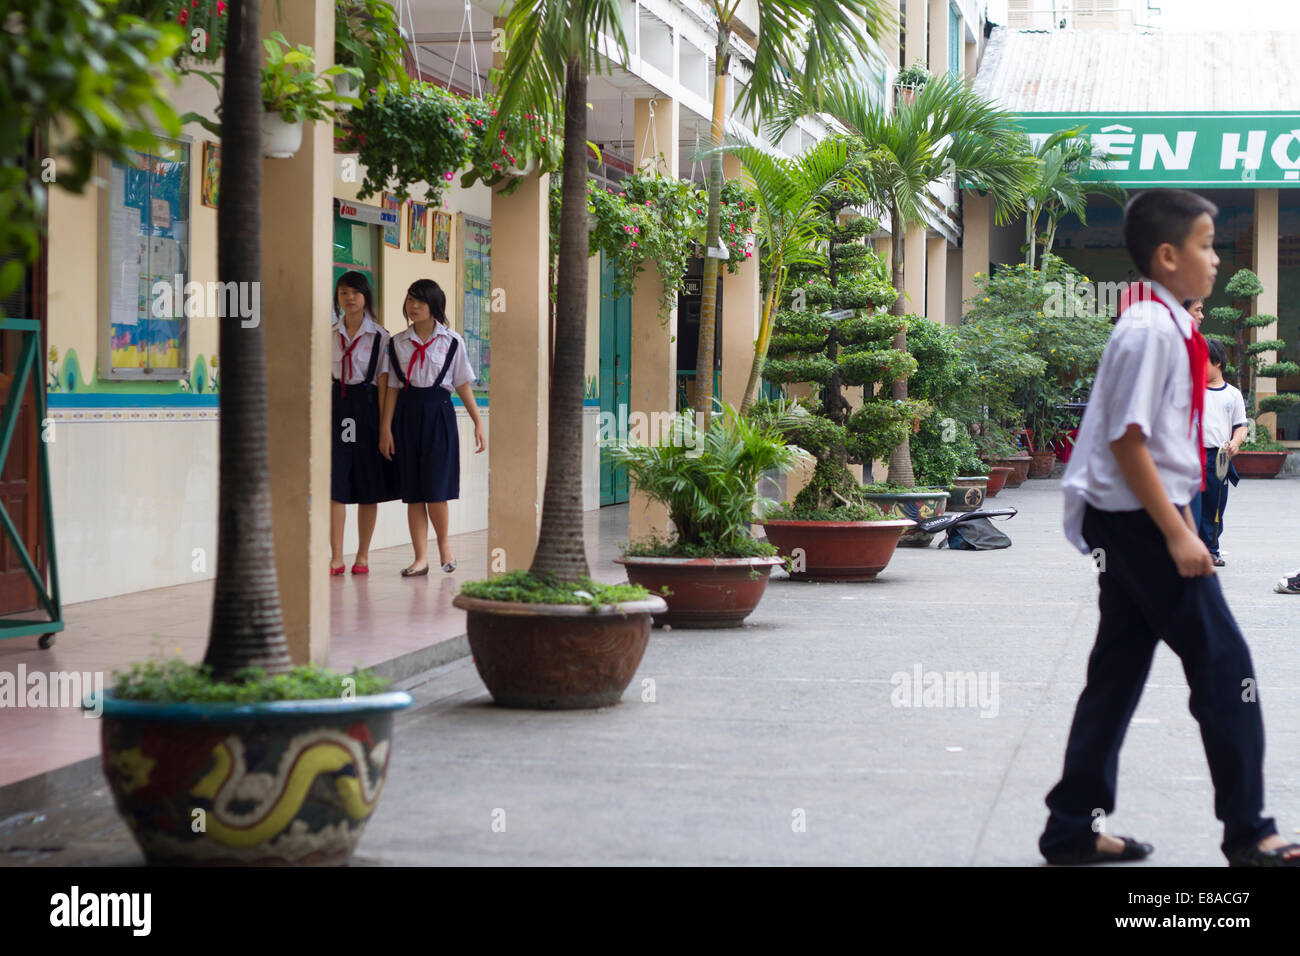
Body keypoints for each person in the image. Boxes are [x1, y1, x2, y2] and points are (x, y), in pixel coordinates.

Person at [1041, 189, 1299, 867]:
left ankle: (1071, 825)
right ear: (1167, 255)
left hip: (1133, 517)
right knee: (1227, 669)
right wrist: (1180, 535)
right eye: (1207, 245)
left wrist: (1185, 519)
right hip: (1134, 523)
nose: (1216, 260)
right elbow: (1129, 443)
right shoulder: (1151, 331)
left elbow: (1161, 446)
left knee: (1117, 673)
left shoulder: (1167, 323)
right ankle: (1250, 832)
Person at [380, 279, 485, 577]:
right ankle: (420, 558)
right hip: (407, 415)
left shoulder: (452, 341)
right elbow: (392, 389)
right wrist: (385, 429)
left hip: (439, 414)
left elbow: (462, 383)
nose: (414, 306)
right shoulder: (396, 342)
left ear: (434, 306)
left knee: (436, 489)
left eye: (421, 301)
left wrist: (478, 422)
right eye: (410, 300)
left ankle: (444, 546)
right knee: (413, 491)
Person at [330, 271, 397, 576]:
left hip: (367, 407)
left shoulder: (381, 337)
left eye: (355, 292)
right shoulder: (328, 333)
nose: (350, 298)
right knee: (336, 484)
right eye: (344, 292)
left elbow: (384, 385)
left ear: (366, 296)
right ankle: (335, 556)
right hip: (337, 407)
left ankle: (363, 555)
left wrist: (385, 428)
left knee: (368, 484)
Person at [1188, 338, 1246, 566]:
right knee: (1193, 505)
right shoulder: (1192, 391)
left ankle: (1212, 549)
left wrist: (1236, 442)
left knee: (1215, 506)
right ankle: (1192, 548)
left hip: (1219, 457)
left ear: (1218, 362)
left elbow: (1241, 426)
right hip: (1192, 455)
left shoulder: (1232, 395)